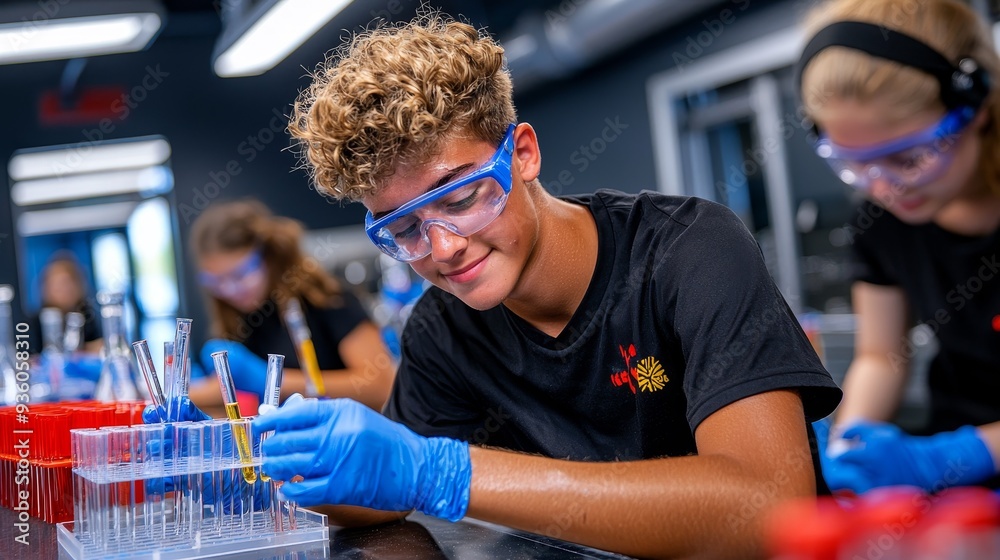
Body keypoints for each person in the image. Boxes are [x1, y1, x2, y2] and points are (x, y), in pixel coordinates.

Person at [248, 14, 843, 559]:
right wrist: (296, 467)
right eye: (405, 229)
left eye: (461, 198)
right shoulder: (444, 329)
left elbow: (766, 507)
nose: (444, 247)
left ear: (523, 154)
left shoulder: (688, 251)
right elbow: (386, 496)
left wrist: (443, 474)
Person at [796, 0, 1000, 495]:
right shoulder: (881, 224)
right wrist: (850, 444)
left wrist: (956, 456)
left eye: (906, 159)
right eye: (853, 163)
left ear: (972, 107)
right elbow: (881, 355)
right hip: (961, 463)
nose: (882, 188)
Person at [185, 199, 395, 412]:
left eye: (240, 275)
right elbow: (228, 389)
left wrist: (274, 382)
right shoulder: (244, 319)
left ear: (268, 257)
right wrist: (176, 398)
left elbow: (380, 386)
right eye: (216, 281)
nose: (230, 290)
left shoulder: (330, 301)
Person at [28, 251, 103, 354]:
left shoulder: (88, 315)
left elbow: (99, 346)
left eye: (67, 283)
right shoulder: (33, 323)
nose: (63, 289)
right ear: (45, 287)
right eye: (57, 284)